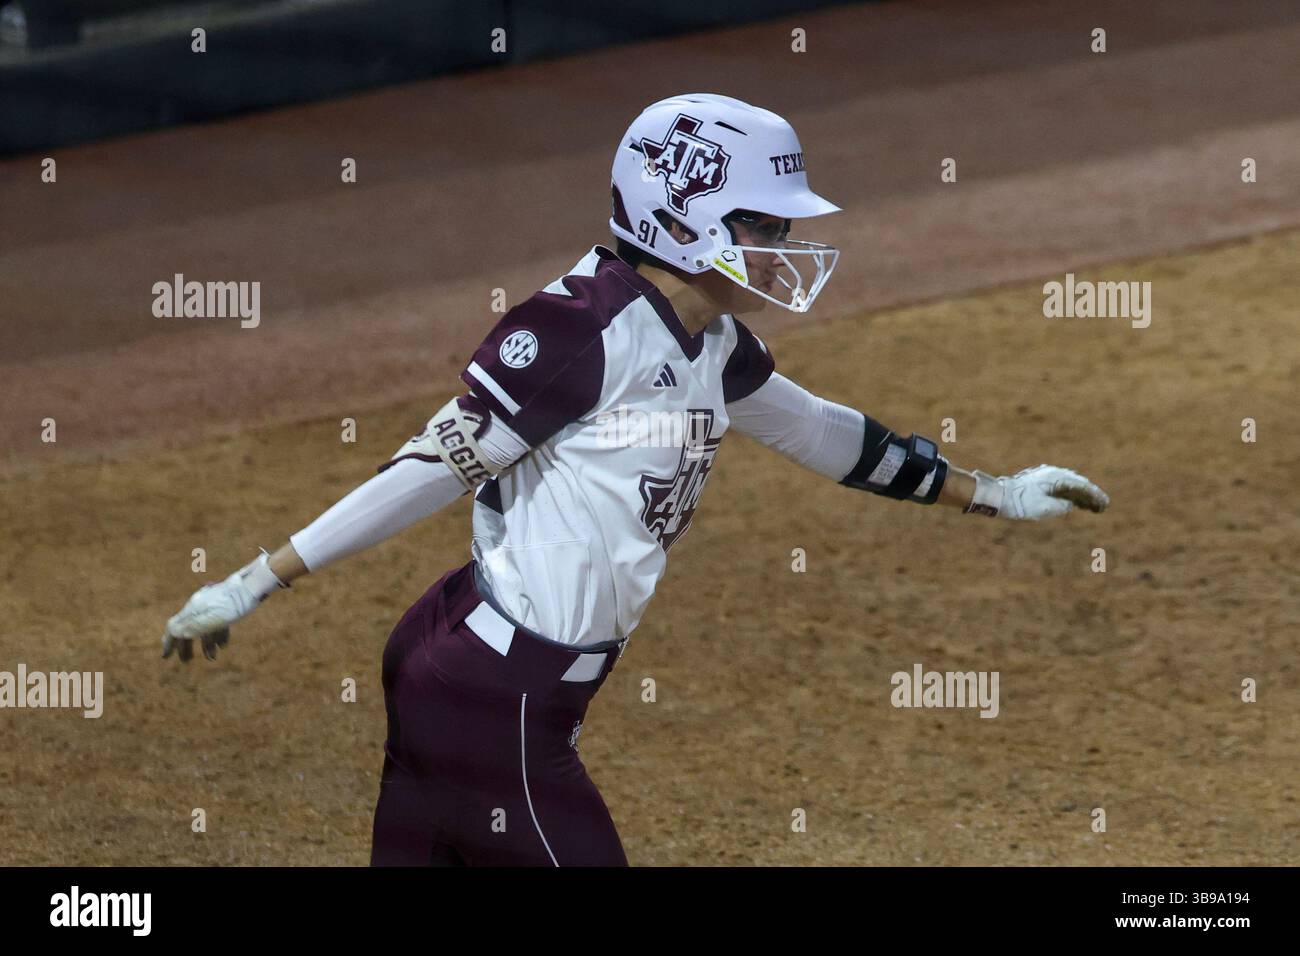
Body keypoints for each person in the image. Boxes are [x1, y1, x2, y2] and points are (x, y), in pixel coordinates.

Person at [160, 93, 1109, 866]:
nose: (783, 243)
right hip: (494, 700)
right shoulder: (582, 329)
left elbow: (826, 436)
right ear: (684, 214)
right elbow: (430, 468)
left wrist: (994, 491)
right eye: (763, 221)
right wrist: (254, 581)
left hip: (477, 673)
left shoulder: (709, 339)